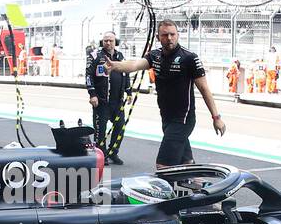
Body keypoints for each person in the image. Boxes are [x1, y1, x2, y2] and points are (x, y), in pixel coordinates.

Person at [106, 19, 225, 170]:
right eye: (165, 35)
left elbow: (204, 88)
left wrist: (216, 118)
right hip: (166, 118)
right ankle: (198, 184)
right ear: (158, 37)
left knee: (163, 166)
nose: (169, 38)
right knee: (186, 162)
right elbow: (134, 65)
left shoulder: (189, 58)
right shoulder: (154, 56)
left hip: (183, 120)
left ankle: (168, 192)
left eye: (172, 34)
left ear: (177, 35)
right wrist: (115, 65)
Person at [85, 31, 126, 164]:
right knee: (100, 131)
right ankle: (101, 156)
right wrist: (92, 94)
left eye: (111, 40)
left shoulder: (120, 56)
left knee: (120, 128)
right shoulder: (95, 55)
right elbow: (88, 75)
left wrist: (129, 91)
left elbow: (125, 73)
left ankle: (113, 152)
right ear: (102, 42)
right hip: (102, 101)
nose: (108, 43)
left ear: (116, 42)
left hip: (117, 101)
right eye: (106, 40)